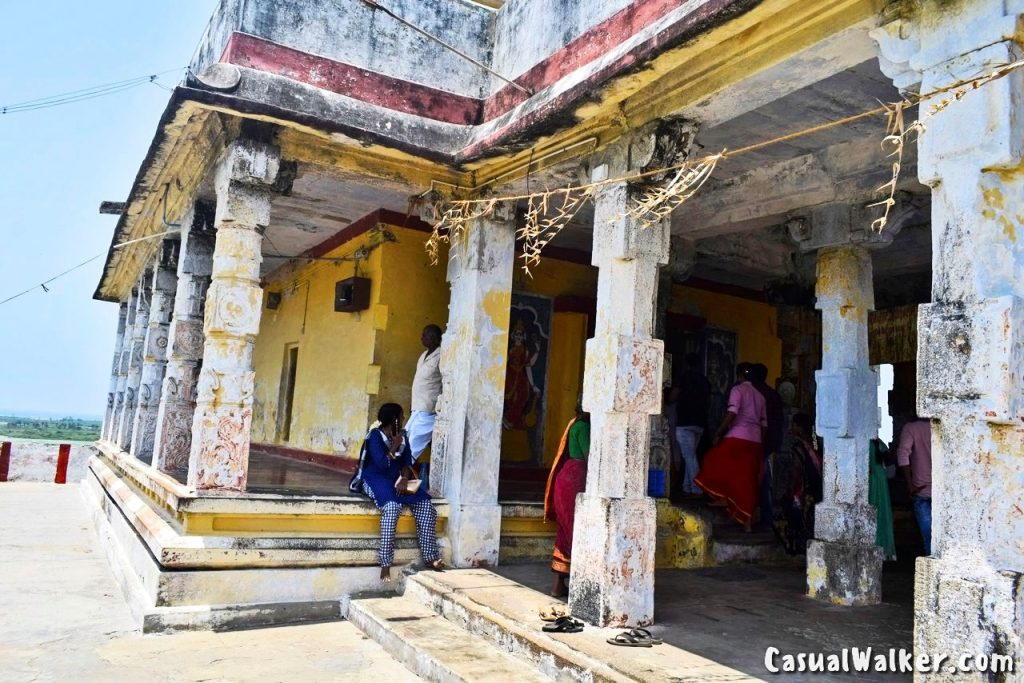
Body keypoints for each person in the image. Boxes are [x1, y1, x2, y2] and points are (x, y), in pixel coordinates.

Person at [363, 402, 444, 582]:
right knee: (392, 508)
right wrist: (394, 446)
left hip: (397, 478)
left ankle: (430, 557)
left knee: (425, 506)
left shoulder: (403, 435)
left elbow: (407, 461)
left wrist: (405, 479)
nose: (403, 419)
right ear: (394, 420)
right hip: (376, 478)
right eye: (401, 417)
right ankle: (385, 563)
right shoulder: (374, 437)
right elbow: (382, 464)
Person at [694, 364, 767, 532]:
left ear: (739, 375)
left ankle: (724, 497)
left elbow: (732, 412)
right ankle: (744, 518)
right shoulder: (760, 396)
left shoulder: (738, 390)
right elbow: (764, 424)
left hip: (737, 437)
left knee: (712, 461)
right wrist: (759, 443)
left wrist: (719, 432)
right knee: (746, 479)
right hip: (755, 440)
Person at [543, 404, 590, 597]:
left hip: (565, 477)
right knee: (576, 531)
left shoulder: (573, 423)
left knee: (565, 529)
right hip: (576, 478)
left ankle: (557, 586)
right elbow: (590, 457)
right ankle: (583, 585)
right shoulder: (584, 427)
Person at [750, 363, 784, 529]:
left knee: (760, 481)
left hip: (756, 441)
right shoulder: (772, 394)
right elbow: (779, 421)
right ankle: (764, 517)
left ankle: (762, 518)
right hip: (768, 442)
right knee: (764, 480)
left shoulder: (755, 394)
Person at [674, 353, 710, 498]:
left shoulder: (683, 378)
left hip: (684, 421)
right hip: (700, 422)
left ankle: (697, 488)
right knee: (690, 455)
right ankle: (687, 486)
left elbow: (674, 396)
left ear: (687, 364)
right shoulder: (705, 380)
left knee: (689, 457)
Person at [405, 324, 442, 461]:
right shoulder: (423, 355)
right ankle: (402, 473)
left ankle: (401, 474)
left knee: (413, 444)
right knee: (407, 439)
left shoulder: (442, 355)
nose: (422, 337)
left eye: (425, 335)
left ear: (434, 338)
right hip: (417, 406)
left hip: (429, 408)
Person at [897, 416, 932, 555]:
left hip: (920, 490)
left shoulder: (911, 428)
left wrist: (910, 484)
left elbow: (902, 455)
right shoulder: (945, 424)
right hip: (943, 493)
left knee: (927, 534)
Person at [870, 437, 896, 560]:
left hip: (868, 483)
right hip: (881, 482)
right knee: (882, 515)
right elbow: (891, 472)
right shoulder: (880, 444)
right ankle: (884, 550)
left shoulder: (860, 442)